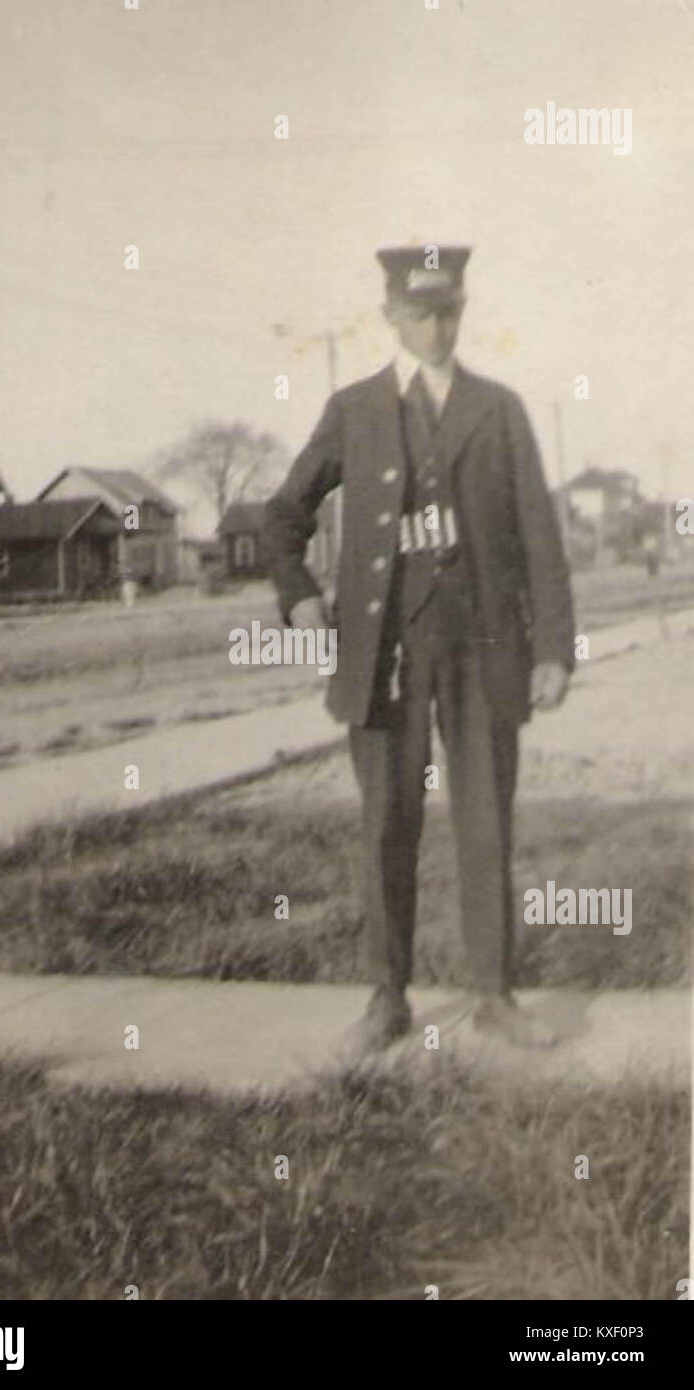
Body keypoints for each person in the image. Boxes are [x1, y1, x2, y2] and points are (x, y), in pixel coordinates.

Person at [264, 244, 575, 1052]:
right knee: (386, 826)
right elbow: (282, 515)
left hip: (483, 646)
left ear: (462, 311)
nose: (437, 326)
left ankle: (494, 997)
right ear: (390, 317)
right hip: (384, 651)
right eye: (421, 312)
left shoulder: (498, 409)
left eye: (450, 311)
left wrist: (553, 650)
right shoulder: (354, 409)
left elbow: (540, 536)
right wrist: (297, 597)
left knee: (485, 822)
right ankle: (386, 998)